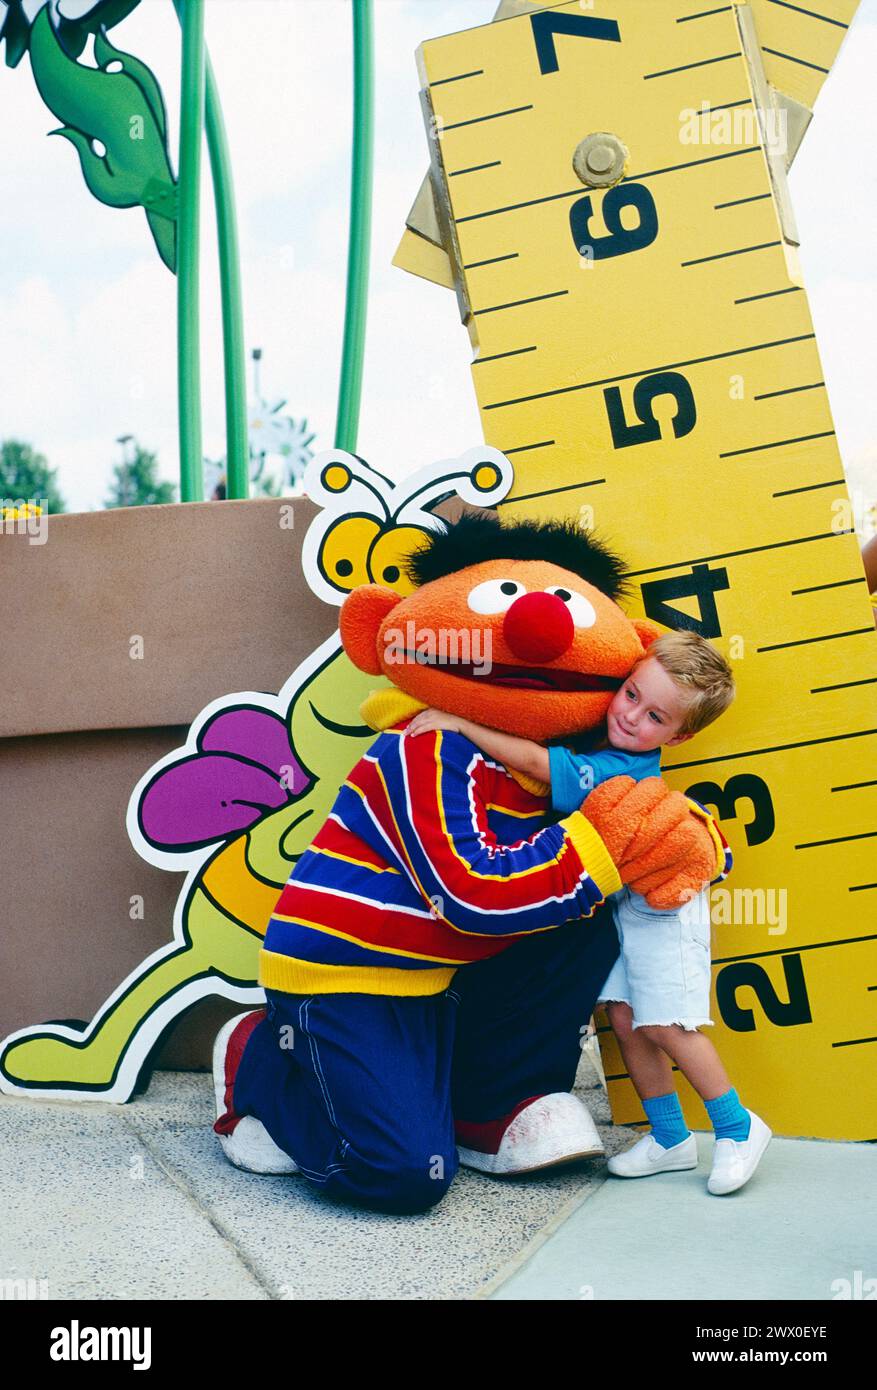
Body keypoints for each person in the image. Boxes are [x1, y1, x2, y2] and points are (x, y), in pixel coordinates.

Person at [407, 628, 772, 1196]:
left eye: (655, 716)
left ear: (679, 738)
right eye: (630, 694)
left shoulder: (619, 770)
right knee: (624, 1020)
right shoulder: (608, 748)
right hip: (627, 912)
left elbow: (538, 763)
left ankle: (738, 1126)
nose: (631, 717)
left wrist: (462, 723)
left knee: (664, 1024)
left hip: (663, 915)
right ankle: (672, 1138)